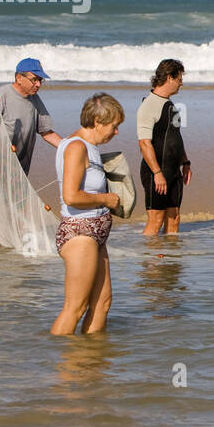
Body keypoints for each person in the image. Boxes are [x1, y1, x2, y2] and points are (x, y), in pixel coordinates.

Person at [49, 93, 123, 336]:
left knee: (102, 303)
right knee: (75, 307)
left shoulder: (89, 147)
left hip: (95, 233)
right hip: (79, 232)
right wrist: (106, 198)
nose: (116, 132)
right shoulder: (76, 146)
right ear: (98, 122)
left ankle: (90, 363)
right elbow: (71, 196)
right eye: (114, 126)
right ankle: (61, 365)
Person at [0, 57, 62, 246]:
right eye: (34, 79)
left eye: (40, 81)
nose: (38, 84)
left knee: (18, 218)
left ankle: (12, 261)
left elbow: (47, 133)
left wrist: (72, 147)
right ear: (19, 78)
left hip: (18, 170)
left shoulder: (35, 100)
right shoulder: (0, 95)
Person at [136, 59, 191, 235]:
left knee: (174, 218)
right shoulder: (149, 105)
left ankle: (170, 261)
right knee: (156, 220)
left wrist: (186, 162)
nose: (181, 83)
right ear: (169, 78)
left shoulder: (170, 105)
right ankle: (150, 260)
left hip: (174, 170)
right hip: (156, 172)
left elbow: (176, 137)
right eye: (179, 78)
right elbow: (144, 143)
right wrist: (157, 173)